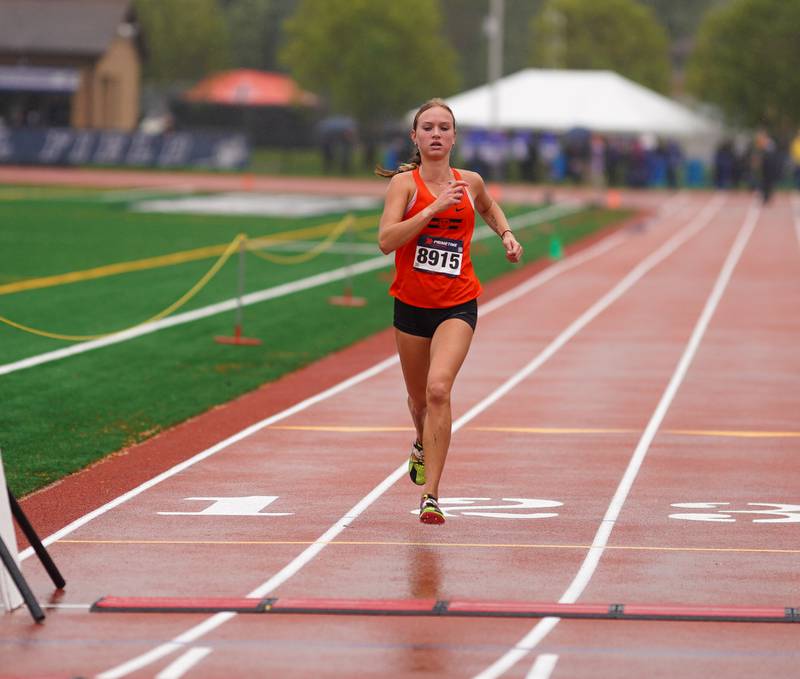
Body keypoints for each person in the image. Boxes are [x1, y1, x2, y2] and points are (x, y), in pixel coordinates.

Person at [376, 98, 523, 525]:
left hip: (457, 304)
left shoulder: (470, 181)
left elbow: (489, 207)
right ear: (415, 137)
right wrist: (432, 209)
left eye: (444, 127)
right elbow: (386, 240)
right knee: (420, 403)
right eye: (428, 128)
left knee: (439, 390)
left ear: (454, 137)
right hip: (411, 306)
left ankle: (431, 495)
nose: (436, 134)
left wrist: (507, 235)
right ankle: (421, 441)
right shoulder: (405, 186)